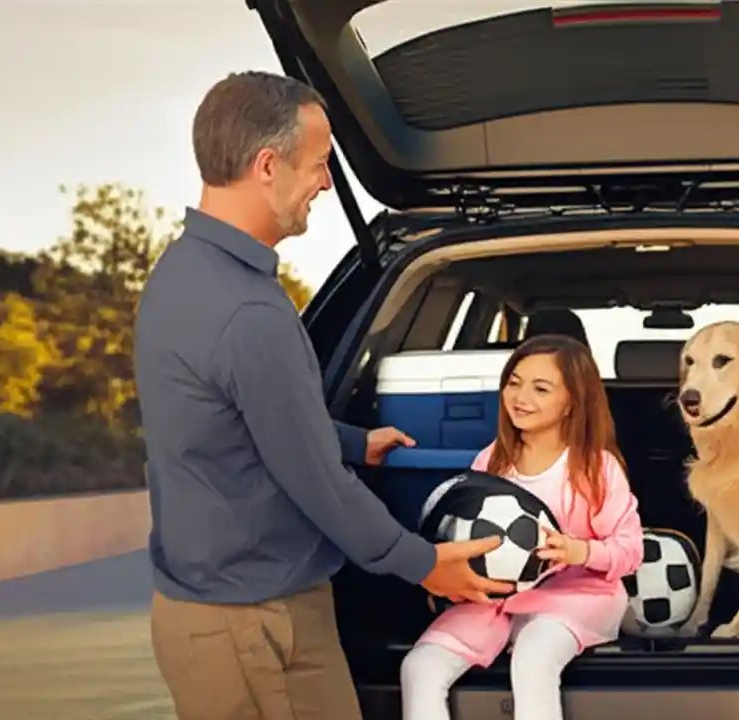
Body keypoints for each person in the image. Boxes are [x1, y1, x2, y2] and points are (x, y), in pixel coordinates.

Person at [133, 71, 512, 720]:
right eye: (319, 164)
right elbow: (314, 478)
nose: (326, 182)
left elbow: (249, 417)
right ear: (267, 165)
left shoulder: (185, 272)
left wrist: (355, 441)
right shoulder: (246, 311)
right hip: (253, 627)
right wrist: (423, 563)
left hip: (235, 610)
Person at [399, 334, 644, 720]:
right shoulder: (491, 460)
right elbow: (464, 537)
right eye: (513, 382)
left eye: (540, 388)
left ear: (572, 404)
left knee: (534, 655)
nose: (520, 396)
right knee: (420, 667)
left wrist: (581, 551)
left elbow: (630, 551)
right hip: (496, 602)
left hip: (578, 597)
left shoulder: (596, 468)